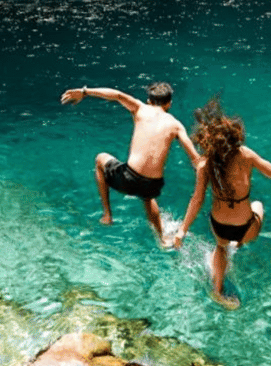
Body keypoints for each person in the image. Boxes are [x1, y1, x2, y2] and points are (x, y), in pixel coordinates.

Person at [60, 82, 199, 245]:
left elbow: (116, 95)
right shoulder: (176, 125)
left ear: (149, 101)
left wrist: (84, 91)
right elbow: (195, 158)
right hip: (152, 185)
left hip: (128, 179)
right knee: (148, 198)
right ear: (169, 103)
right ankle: (162, 239)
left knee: (100, 158)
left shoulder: (140, 108)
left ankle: (107, 215)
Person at [175, 96, 271, 308]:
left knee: (220, 247)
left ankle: (217, 290)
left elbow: (197, 199)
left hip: (219, 226)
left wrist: (182, 230)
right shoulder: (245, 154)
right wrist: (254, 160)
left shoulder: (206, 164)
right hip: (245, 227)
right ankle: (238, 244)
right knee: (257, 205)